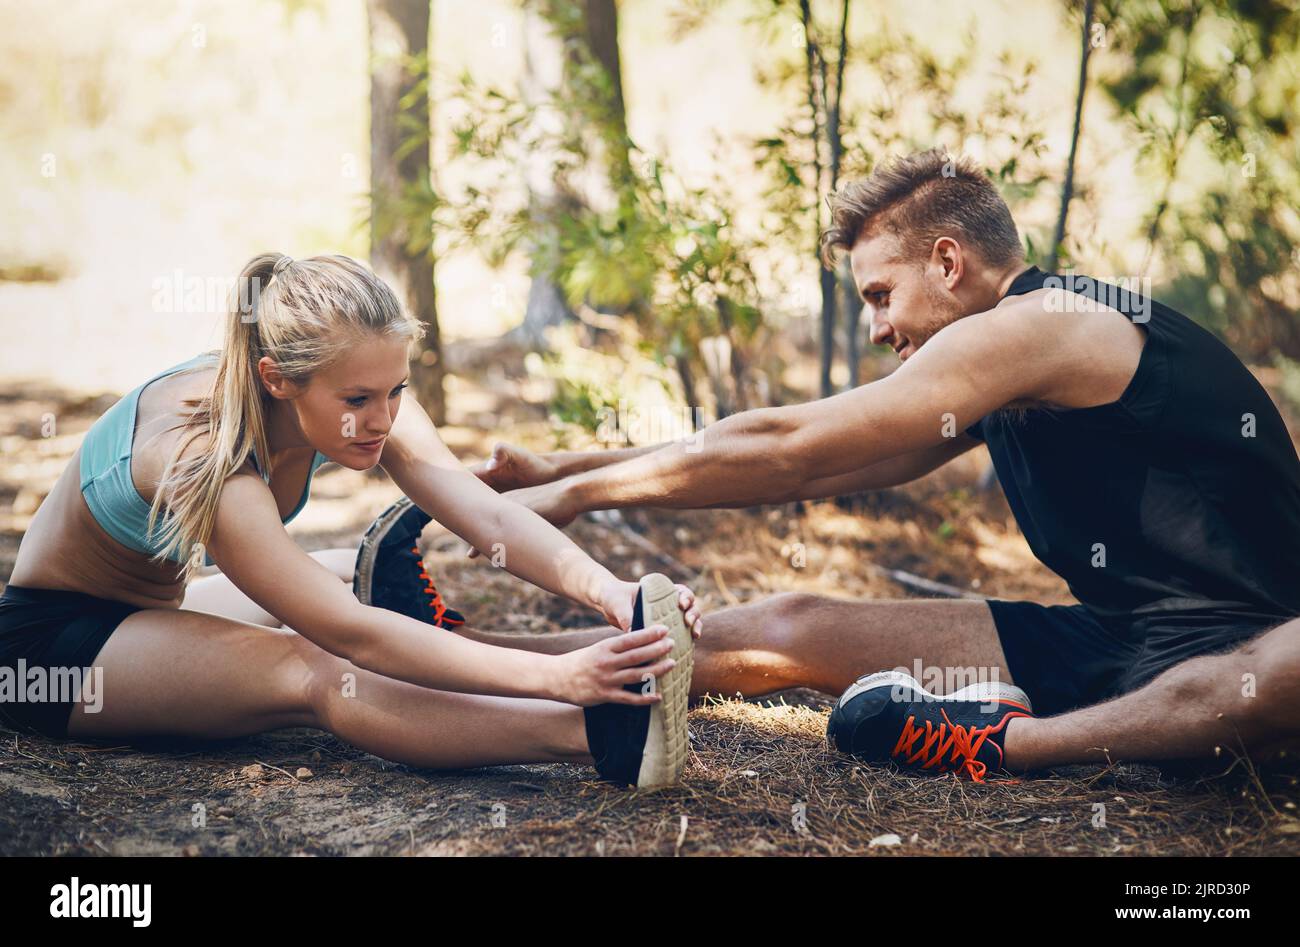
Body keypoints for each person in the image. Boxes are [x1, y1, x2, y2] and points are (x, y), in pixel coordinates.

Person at [467, 148, 1300, 782]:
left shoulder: (1044, 324)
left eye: (879, 294)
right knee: (785, 625)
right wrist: (566, 462)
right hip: (1131, 641)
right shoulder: (1005, 362)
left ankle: (1007, 744)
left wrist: (575, 492)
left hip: (1259, 648)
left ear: (947, 262)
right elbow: (807, 462)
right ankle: (458, 654)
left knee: (1264, 669)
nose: (875, 327)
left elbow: (788, 446)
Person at [0, 252, 703, 790]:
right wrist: (555, 678)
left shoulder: (352, 378)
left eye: (396, 390)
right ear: (278, 379)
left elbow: (483, 511)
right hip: (53, 648)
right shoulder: (202, 456)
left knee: (347, 574)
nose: (383, 419)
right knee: (320, 667)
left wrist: (604, 587)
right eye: (361, 399)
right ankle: (600, 733)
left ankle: (474, 664)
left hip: (163, 603)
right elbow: (348, 636)